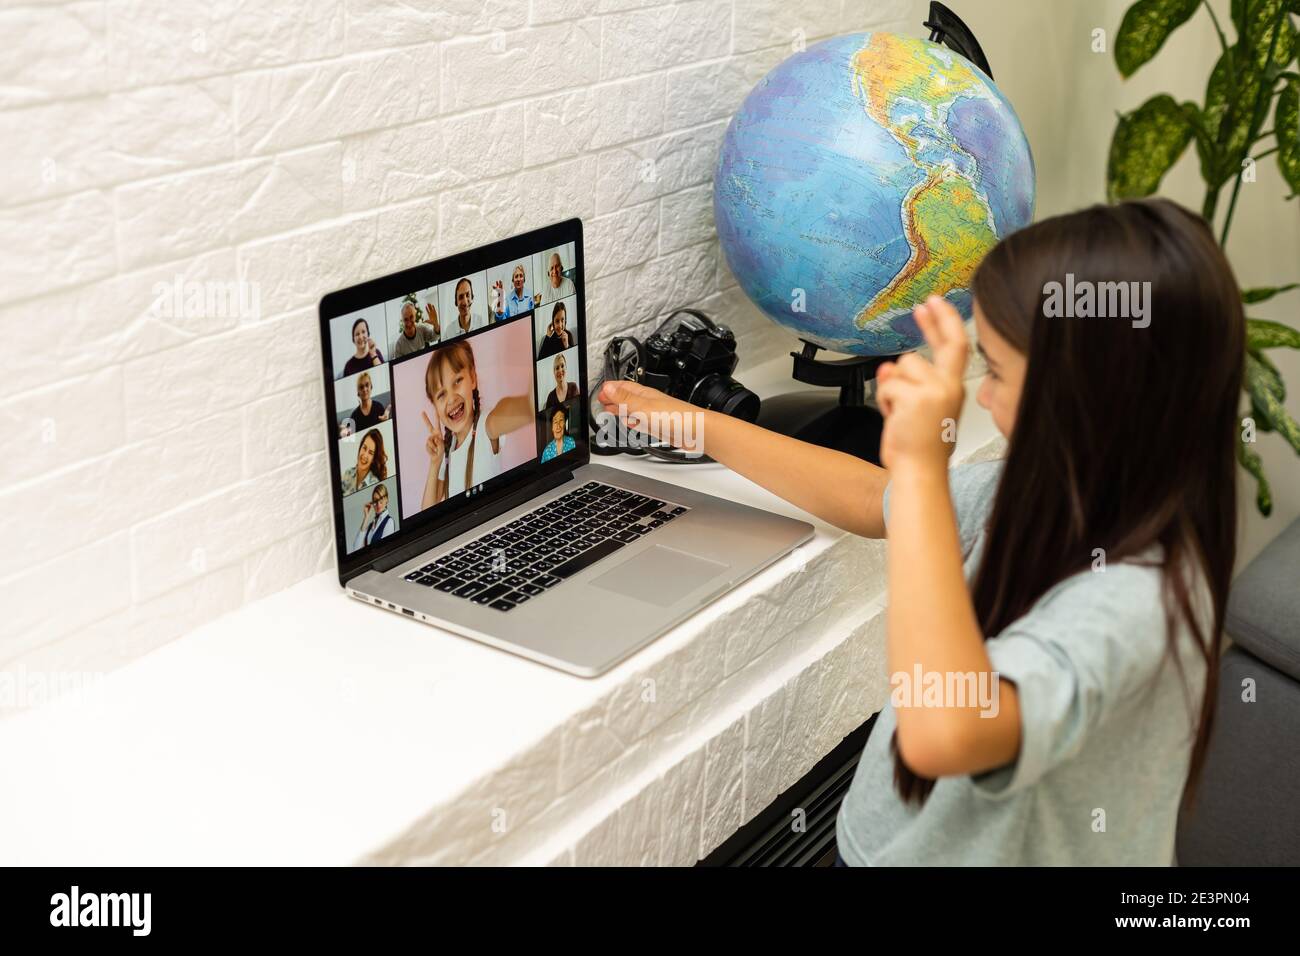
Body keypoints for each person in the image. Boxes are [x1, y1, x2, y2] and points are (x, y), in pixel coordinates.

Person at [597, 199, 1243, 866]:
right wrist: (693, 425)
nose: (981, 395)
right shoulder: (1058, 494)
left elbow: (946, 731)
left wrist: (924, 466)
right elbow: (876, 498)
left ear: (1087, 395)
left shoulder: (1135, 598)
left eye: (994, 370)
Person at [420, 340, 534, 507]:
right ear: (435, 407)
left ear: (473, 378)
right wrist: (435, 462)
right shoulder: (448, 449)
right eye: (441, 394)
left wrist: (528, 405)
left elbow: (509, 410)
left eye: (457, 381)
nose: (451, 398)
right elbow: (427, 511)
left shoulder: (487, 425)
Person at [340, 428, 389, 496]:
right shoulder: (348, 473)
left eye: (370, 453)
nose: (365, 455)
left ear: (373, 459)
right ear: (360, 448)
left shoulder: (374, 484)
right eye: (364, 448)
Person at [353, 484, 395, 550]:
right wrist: (366, 517)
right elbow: (356, 548)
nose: (378, 504)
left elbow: (385, 549)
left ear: (386, 500)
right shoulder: (371, 526)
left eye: (381, 499)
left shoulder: (389, 522)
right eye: (375, 500)